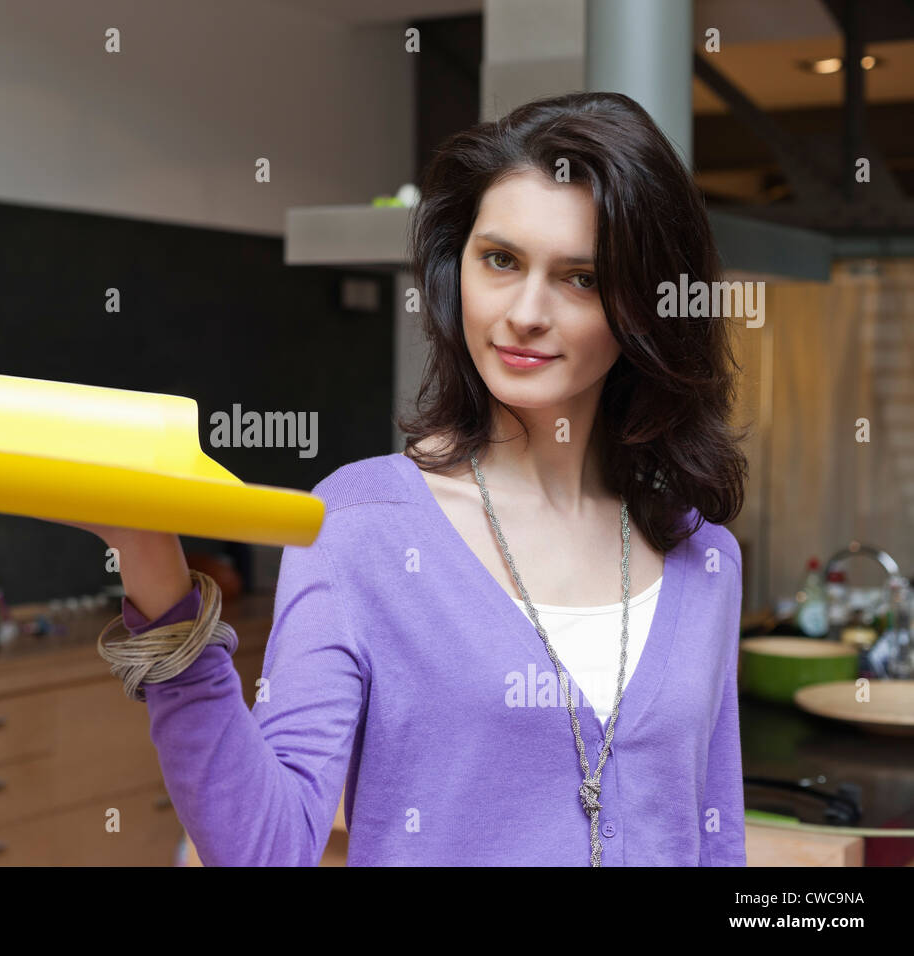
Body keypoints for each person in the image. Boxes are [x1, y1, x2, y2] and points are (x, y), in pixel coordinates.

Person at [66, 90, 750, 866]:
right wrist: (154, 569)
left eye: (581, 278)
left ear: (646, 309)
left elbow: (714, 841)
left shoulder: (705, 559)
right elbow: (264, 846)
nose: (526, 311)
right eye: (500, 260)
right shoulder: (361, 524)